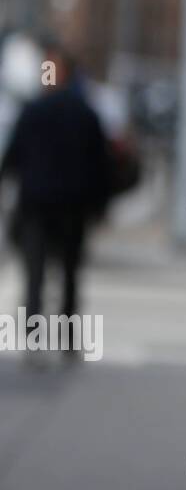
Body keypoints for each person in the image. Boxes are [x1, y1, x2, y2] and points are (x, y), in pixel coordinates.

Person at [1, 44, 110, 360]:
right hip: (68, 206)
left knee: (37, 274)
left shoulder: (35, 110)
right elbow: (99, 165)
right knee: (68, 274)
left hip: (40, 204)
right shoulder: (84, 113)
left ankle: (38, 341)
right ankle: (68, 341)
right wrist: (99, 206)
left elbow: (12, 158)